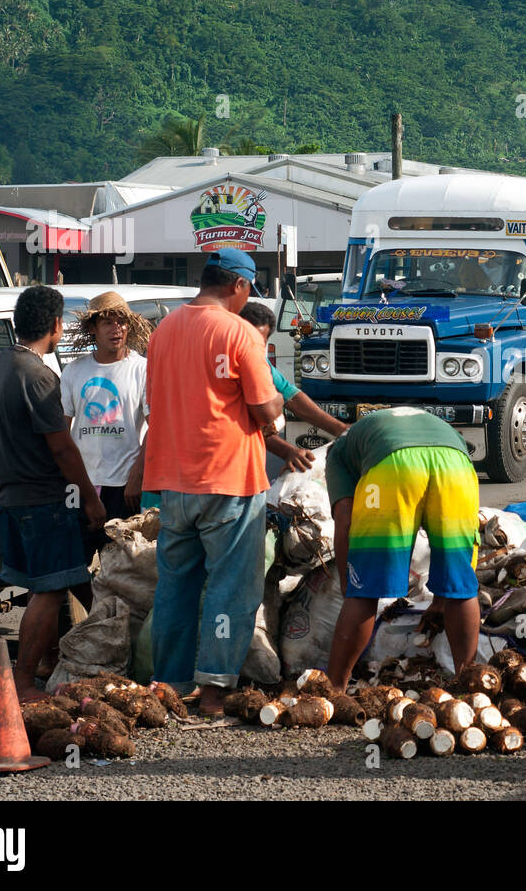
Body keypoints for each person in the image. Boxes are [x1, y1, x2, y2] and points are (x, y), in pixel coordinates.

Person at [145, 248, 284, 716]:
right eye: (249, 292)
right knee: (230, 589)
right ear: (238, 286)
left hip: (173, 477)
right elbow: (266, 410)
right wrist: (275, 408)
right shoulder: (240, 331)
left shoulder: (163, 330)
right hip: (229, 478)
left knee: (175, 588)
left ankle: (167, 686)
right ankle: (212, 694)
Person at [0, 286, 106, 702]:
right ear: (54, 325)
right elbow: (62, 447)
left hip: (12, 497)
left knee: (49, 583)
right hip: (44, 500)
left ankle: (54, 662)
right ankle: (24, 682)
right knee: (49, 591)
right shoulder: (39, 376)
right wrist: (89, 497)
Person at [324, 408, 481, 691]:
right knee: (461, 585)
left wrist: (351, 584)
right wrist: (440, 602)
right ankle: (469, 685)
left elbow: (345, 519)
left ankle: (334, 688)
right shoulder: (406, 422)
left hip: (394, 465)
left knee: (365, 591)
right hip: (457, 465)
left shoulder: (337, 455)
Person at [61, 292, 151, 551]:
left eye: (122, 322)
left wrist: (137, 475)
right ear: (93, 328)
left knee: (123, 562)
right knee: (78, 558)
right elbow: (62, 431)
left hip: (124, 485)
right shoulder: (74, 371)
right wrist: (66, 480)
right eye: (108, 323)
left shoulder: (141, 369)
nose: (117, 329)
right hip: (81, 482)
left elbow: (154, 427)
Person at [238, 301, 347, 472]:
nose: (253, 346)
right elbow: (252, 420)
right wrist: (287, 450)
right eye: (248, 338)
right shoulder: (226, 362)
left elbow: (292, 396)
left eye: (260, 342)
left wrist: (341, 430)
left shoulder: (260, 362)